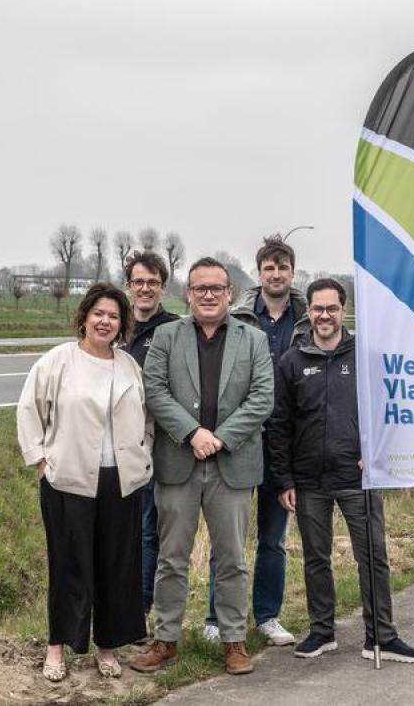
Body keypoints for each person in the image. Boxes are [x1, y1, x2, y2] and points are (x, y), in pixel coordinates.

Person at [266, 278, 414, 663]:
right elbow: (279, 424)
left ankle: (382, 636)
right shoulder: (291, 361)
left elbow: (392, 410)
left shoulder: (366, 358)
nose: (325, 315)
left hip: (358, 477)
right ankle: (322, 632)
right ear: (308, 311)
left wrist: (378, 452)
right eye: (318, 308)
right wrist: (283, 478)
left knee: (372, 557)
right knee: (316, 558)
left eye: (332, 308)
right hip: (308, 480)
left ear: (344, 310)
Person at [130, 257, 275, 676]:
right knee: (171, 558)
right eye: (200, 288)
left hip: (232, 464)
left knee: (231, 559)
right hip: (178, 462)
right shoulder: (166, 336)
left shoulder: (253, 339)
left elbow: (262, 397)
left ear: (230, 293)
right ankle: (165, 639)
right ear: (187, 294)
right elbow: (154, 389)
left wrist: (221, 437)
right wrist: (193, 433)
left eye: (216, 288)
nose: (208, 295)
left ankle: (233, 641)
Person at [15, 283, 151, 681]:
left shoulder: (128, 366)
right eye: (99, 314)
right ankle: (57, 647)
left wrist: (143, 454)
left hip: (121, 481)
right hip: (68, 481)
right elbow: (29, 410)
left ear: (122, 324)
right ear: (85, 317)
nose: (105, 322)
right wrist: (41, 462)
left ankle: (107, 647)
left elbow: (147, 417)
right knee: (68, 565)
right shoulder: (58, 361)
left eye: (114, 316)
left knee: (116, 566)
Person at [194, 235, 308, 646]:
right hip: (241, 438)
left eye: (282, 267)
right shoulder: (238, 317)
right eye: (268, 268)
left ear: (292, 272)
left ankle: (267, 616)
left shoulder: (306, 320)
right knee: (227, 540)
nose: (276, 274)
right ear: (259, 274)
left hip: (285, 443)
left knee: (273, 539)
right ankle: (216, 618)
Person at [122, 250, 180, 619]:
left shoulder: (174, 329)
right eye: (139, 282)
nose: (145, 288)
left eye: (153, 283)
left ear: (163, 288)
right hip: (113, 446)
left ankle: (141, 608)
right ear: (129, 286)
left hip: (156, 445)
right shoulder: (115, 325)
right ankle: (116, 604)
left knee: (148, 530)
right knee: (118, 530)